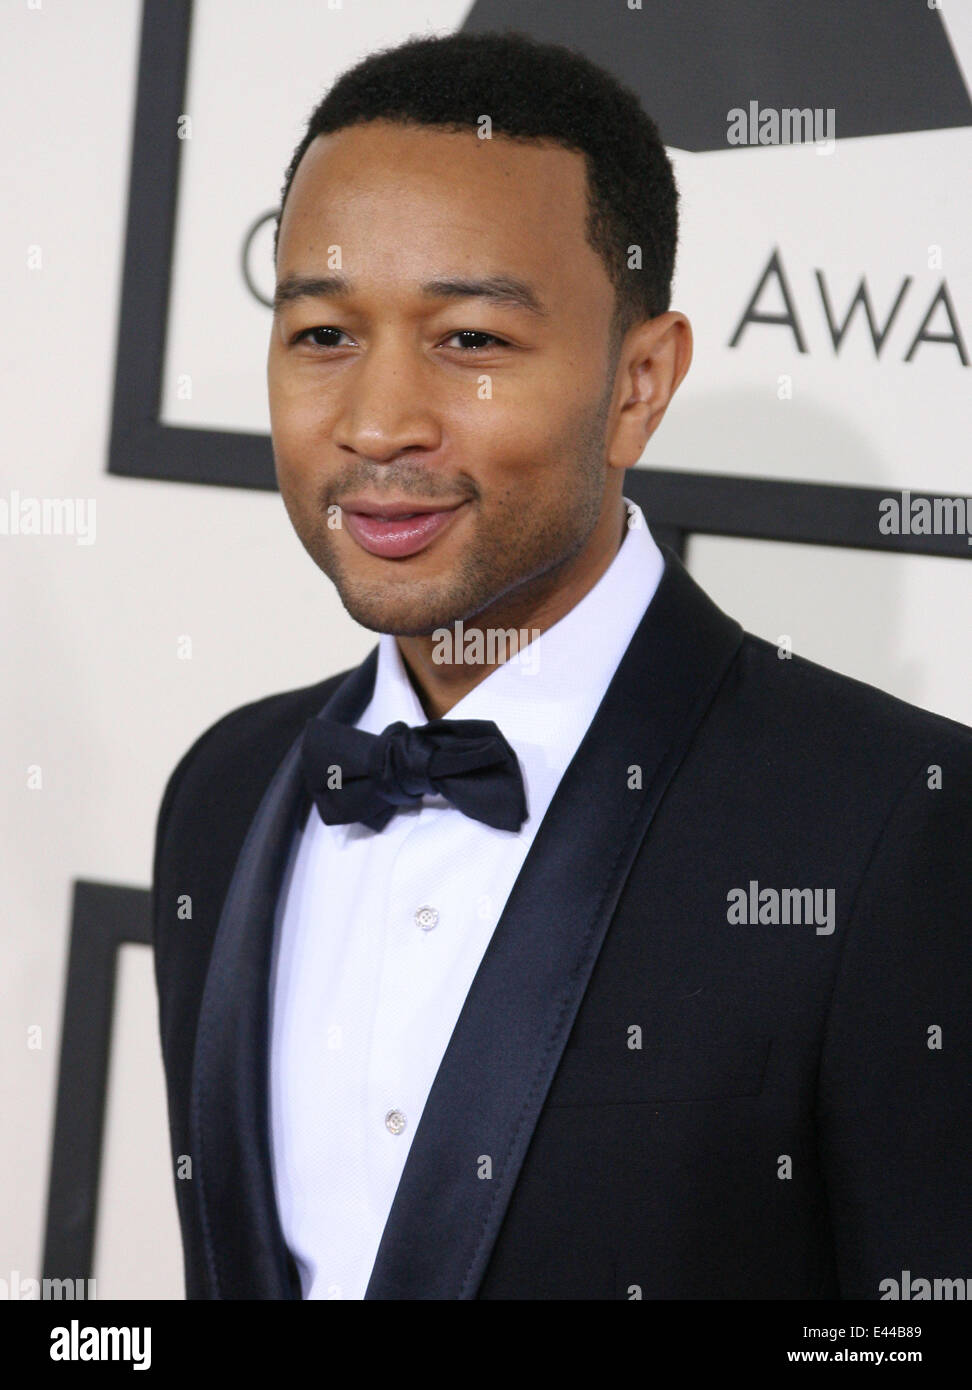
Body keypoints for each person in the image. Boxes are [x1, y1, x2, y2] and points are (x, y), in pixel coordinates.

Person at [152, 30, 972, 1300]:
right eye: (321, 334)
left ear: (639, 384)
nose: (376, 423)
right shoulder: (224, 789)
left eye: (471, 340)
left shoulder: (899, 819)